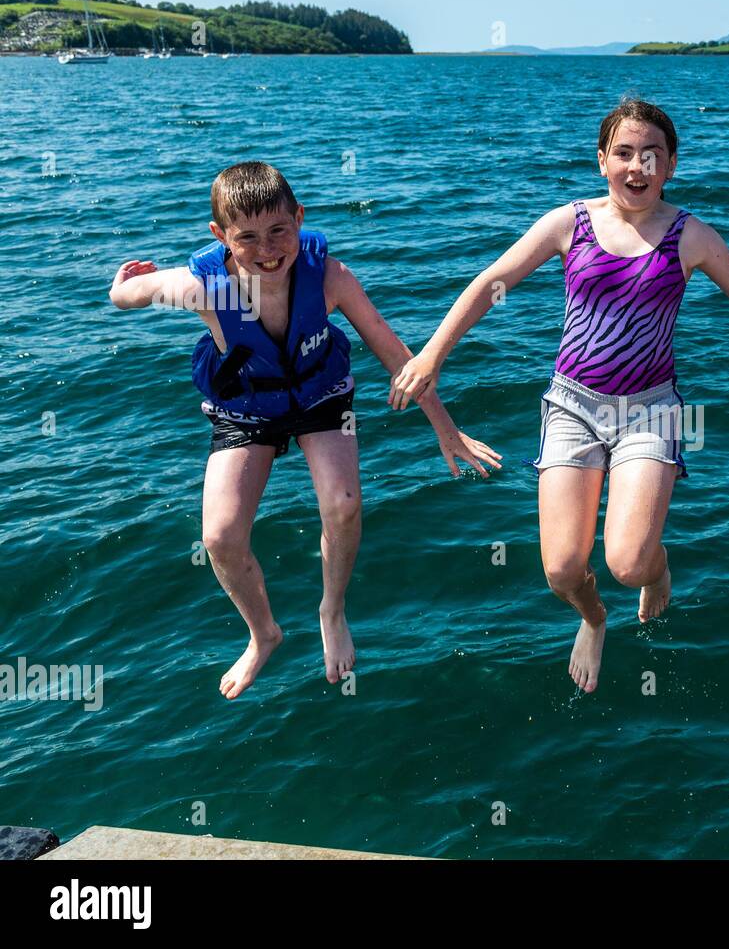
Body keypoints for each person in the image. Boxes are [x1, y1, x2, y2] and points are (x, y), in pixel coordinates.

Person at [390, 100, 729, 694]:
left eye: (651, 154)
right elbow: (491, 282)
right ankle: (594, 620)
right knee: (562, 570)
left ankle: (659, 568)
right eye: (624, 152)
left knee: (628, 564)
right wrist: (433, 353)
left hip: (649, 412)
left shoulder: (687, 235)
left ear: (670, 165)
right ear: (602, 161)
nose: (636, 165)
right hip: (572, 406)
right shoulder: (569, 223)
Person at [108, 161, 500, 699]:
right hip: (247, 407)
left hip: (320, 397)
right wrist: (121, 285)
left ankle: (332, 609)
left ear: (300, 218)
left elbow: (395, 355)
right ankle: (263, 633)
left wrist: (446, 430)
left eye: (279, 231)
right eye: (247, 237)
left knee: (342, 504)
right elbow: (132, 296)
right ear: (220, 237)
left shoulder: (330, 277)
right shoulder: (204, 287)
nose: (268, 249)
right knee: (219, 538)